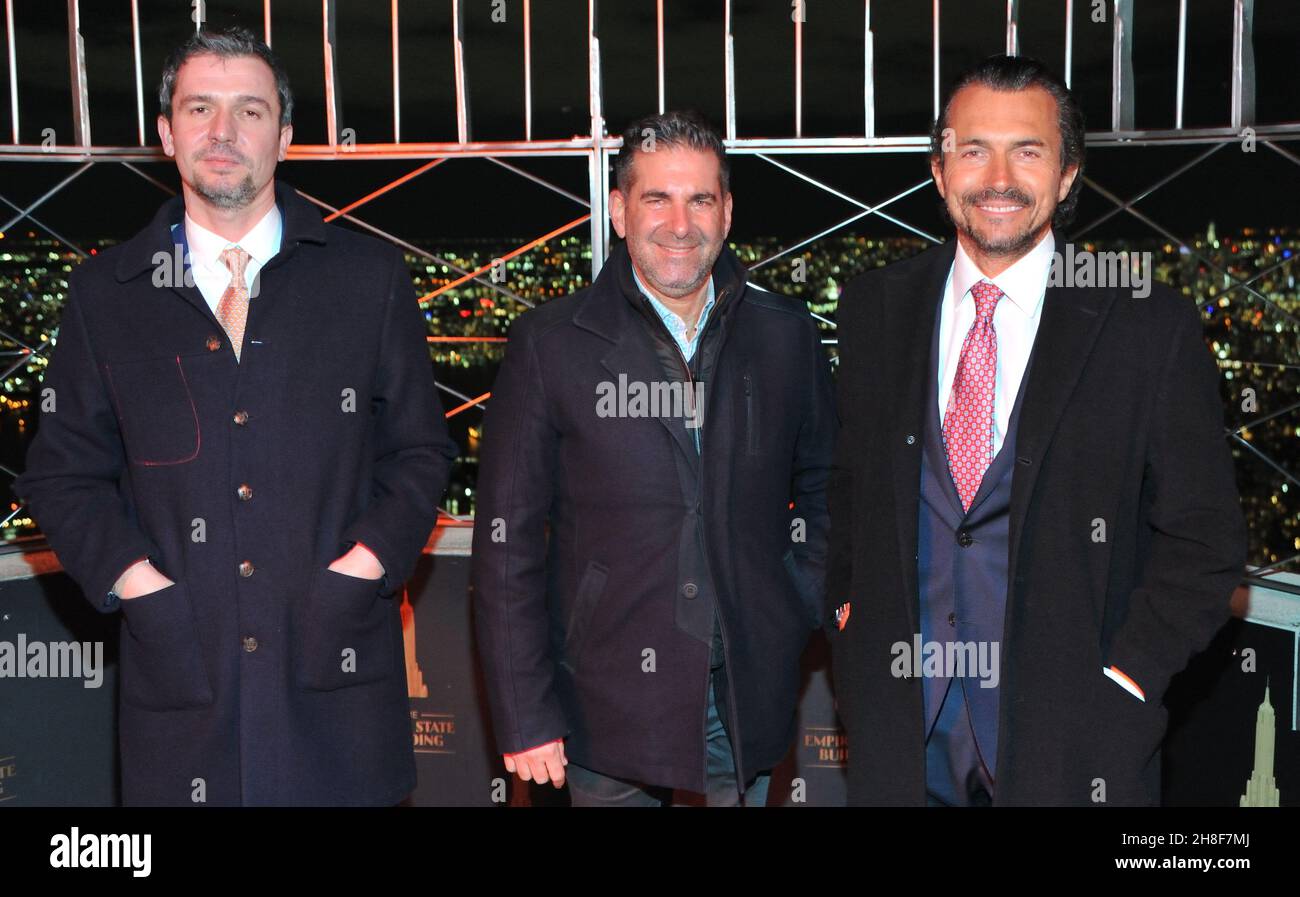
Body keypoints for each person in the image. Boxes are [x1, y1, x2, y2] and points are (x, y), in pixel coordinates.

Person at [14, 26, 457, 806]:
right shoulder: (105, 295)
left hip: (339, 697)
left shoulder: (368, 279)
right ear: (166, 133)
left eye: (249, 111)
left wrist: (359, 573)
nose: (223, 133)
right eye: (200, 109)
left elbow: (420, 453)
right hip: (183, 706)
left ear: (284, 136)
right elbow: (61, 474)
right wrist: (141, 587)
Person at [826, 55, 1247, 806]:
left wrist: (1128, 676)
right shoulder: (874, 310)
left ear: (1066, 174)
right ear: (939, 167)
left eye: (1027, 150)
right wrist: (850, 621)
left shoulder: (1145, 324)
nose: (998, 177)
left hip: (1072, 744)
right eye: (973, 148)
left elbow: (1207, 540)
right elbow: (847, 490)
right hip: (900, 735)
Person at [471, 110, 836, 806]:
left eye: (700, 198)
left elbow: (828, 487)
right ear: (618, 211)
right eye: (656, 198)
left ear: (726, 212)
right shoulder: (551, 345)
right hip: (603, 701)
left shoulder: (786, 336)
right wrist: (523, 712)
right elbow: (505, 544)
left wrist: (794, 599)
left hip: (744, 688)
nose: (680, 222)